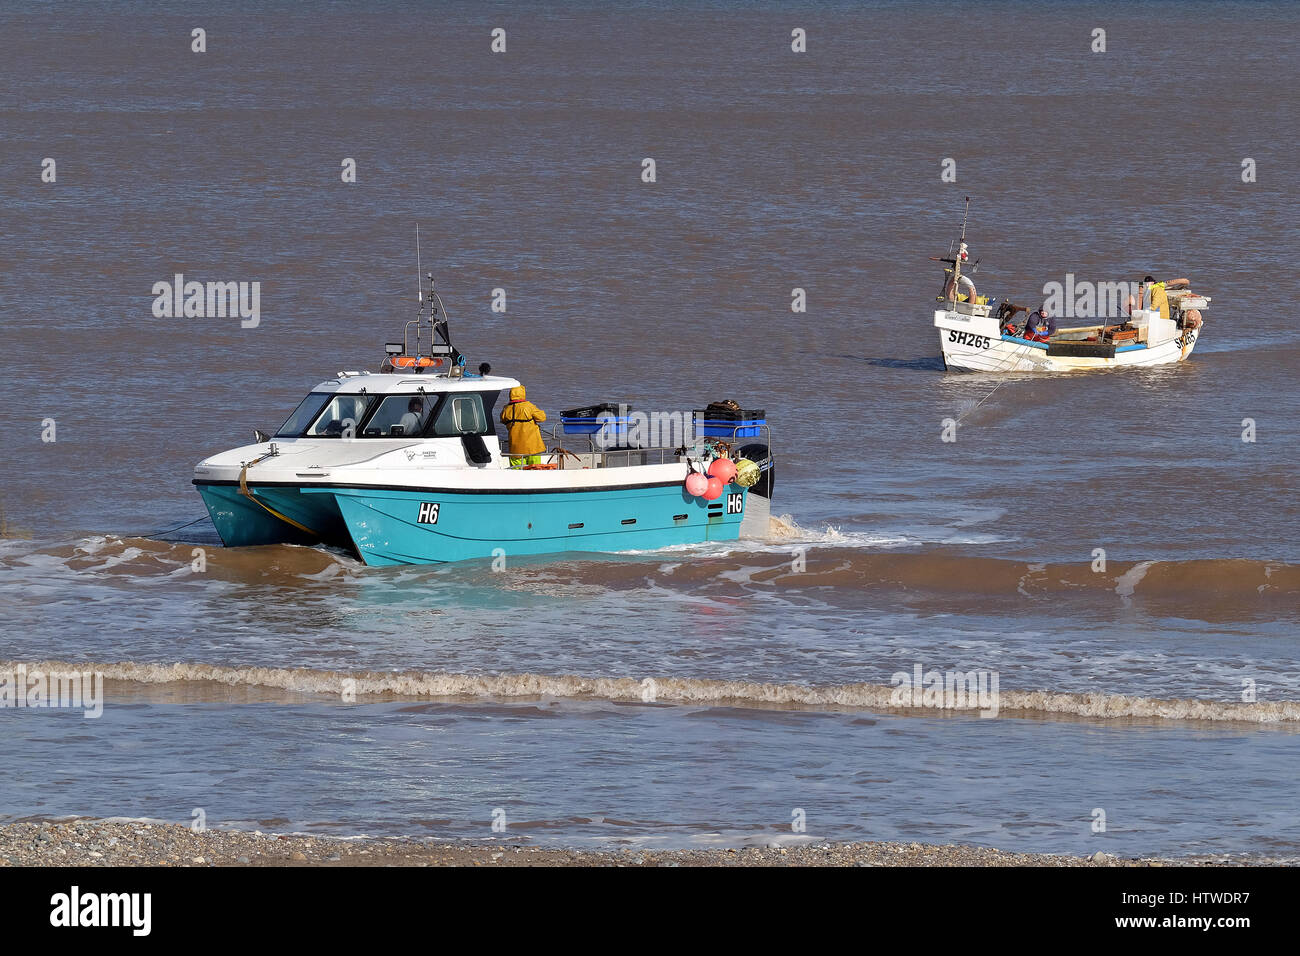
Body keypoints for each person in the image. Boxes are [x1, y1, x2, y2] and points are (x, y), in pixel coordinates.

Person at [500, 385, 547, 467]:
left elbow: (503, 420)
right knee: (535, 468)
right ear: (523, 393)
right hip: (532, 446)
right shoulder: (528, 406)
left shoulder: (506, 409)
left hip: (515, 447)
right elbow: (542, 418)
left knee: (517, 468)